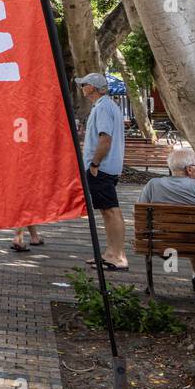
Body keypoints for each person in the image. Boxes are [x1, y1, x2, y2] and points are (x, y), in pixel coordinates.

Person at [139, 146, 195, 292]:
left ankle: (159, 277)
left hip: (160, 241)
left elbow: (140, 213)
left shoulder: (153, 184)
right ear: (190, 169)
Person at [78, 73, 128, 270]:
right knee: (106, 211)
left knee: (111, 210)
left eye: (84, 84)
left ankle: (119, 255)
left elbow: (105, 139)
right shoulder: (104, 106)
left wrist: (94, 164)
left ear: (93, 87)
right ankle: (110, 252)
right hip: (105, 167)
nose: (82, 87)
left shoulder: (104, 107)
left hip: (102, 167)